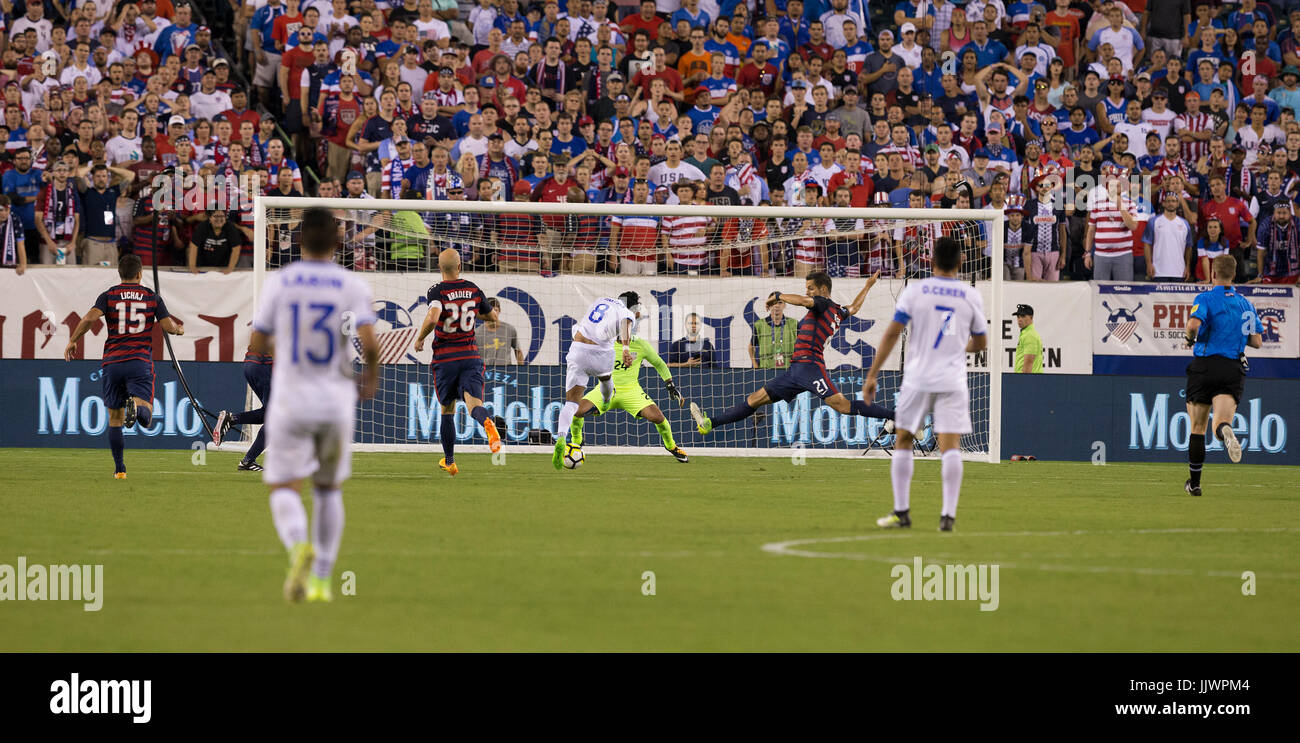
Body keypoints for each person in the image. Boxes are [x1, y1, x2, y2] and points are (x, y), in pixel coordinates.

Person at [248, 207, 380, 603]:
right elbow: (371, 346)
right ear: (338, 242)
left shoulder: (281, 282)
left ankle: (296, 547)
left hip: (291, 400)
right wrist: (369, 379)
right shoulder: (352, 284)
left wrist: (285, 343)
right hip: (336, 401)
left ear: (300, 240)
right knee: (327, 491)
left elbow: (257, 344)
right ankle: (322, 579)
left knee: (283, 487)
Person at [863, 237, 988, 532]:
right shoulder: (970, 295)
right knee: (951, 446)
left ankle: (901, 512)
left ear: (931, 261)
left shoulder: (916, 291)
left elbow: (893, 333)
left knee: (903, 439)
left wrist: (872, 374)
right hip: (951, 379)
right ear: (960, 263)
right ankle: (947, 517)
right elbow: (981, 342)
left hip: (918, 378)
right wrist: (960, 347)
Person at [690, 272, 894, 436]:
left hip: (810, 368)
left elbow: (805, 302)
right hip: (796, 370)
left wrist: (778, 297)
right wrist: (868, 285)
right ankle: (709, 424)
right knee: (754, 399)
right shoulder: (839, 311)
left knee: (841, 405)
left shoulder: (821, 304)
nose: (807, 292)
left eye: (810, 288)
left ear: (823, 290)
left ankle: (895, 416)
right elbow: (855, 308)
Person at [62, 254, 186, 479]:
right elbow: (168, 326)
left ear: (120, 273)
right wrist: (179, 329)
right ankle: (137, 408)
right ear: (140, 274)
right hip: (139, 362)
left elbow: (90, 318)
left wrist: (73, 340)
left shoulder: (108, 295)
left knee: (115, 419)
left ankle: (120, 470)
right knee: (146, 415)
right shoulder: (151, 297)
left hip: (112, 362)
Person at [413, 249, 506, 475]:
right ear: (459, 267)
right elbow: (493, 317)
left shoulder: (437, 290)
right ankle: (487, 424)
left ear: (439, 267)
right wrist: (473, 313)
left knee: (447, 409)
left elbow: (434, 317)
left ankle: (450, 461)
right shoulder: (473, 288)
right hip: (471, 356)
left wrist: (420, 337)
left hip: (446, 359)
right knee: (475, 405)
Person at [568, 291, 689, 463]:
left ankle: (671, 446)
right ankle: (576, 442)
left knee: (659, 418)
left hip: (631, 391)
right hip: (606, 391)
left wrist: (670, 384)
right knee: (576, 412)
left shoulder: (640, 345)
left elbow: (660, 364)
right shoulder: (602, 339)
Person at [1182, 254, 1264, 496]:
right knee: (1221, 422)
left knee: (1197, 427)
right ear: (1234, 275)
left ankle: (1195, 485)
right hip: (1232, 368)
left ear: (1213, 274)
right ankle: (1225, 431)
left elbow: (1193, 324)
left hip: (1206, 365)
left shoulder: (1205, 297)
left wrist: (1188, 339)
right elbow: (1257, 341)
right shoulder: (1245, 304)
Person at [554, 292, 638, 470]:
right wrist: (625, 348)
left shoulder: (601, 301)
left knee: (571, 403)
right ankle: (606, 401)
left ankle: (561, 436)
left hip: (577, 348)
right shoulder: (627, 312)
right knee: (606, 379)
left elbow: (578, 327)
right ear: (633, 306)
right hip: (600, 352)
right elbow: (625, 324)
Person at [212, 345, 274, 472]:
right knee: (275, 418)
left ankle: (232, 419)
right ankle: (248, 461)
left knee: (269, 413)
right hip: (267, 364)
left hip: (251, 363)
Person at [749, 292, 798, 368]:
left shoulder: (794, 324)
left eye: (780, 302)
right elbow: (751, 347)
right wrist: (755, 364)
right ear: (768, 305)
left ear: (785, 305)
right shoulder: (759, 325)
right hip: (766, 370)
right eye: (773, 303)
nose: (776, 306)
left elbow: (802, 346)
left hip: (789, 370)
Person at [475, 297, 525, 365]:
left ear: (499, 310)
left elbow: (518, 351)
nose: (493, 314)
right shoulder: (477, 333)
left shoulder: (509, 330)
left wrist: (520, 371)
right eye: (490, 311)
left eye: (495, 310)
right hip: (485, 372)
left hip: (506, 372)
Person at [1012, 304, 1043, 374]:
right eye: (1018, 316)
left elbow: (1028, 362)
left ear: (1031, 317)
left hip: (1030, 381)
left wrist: (1024, 382)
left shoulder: (1030, 335)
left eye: (1023, 316)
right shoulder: (1026, 333)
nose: (1019, 319)